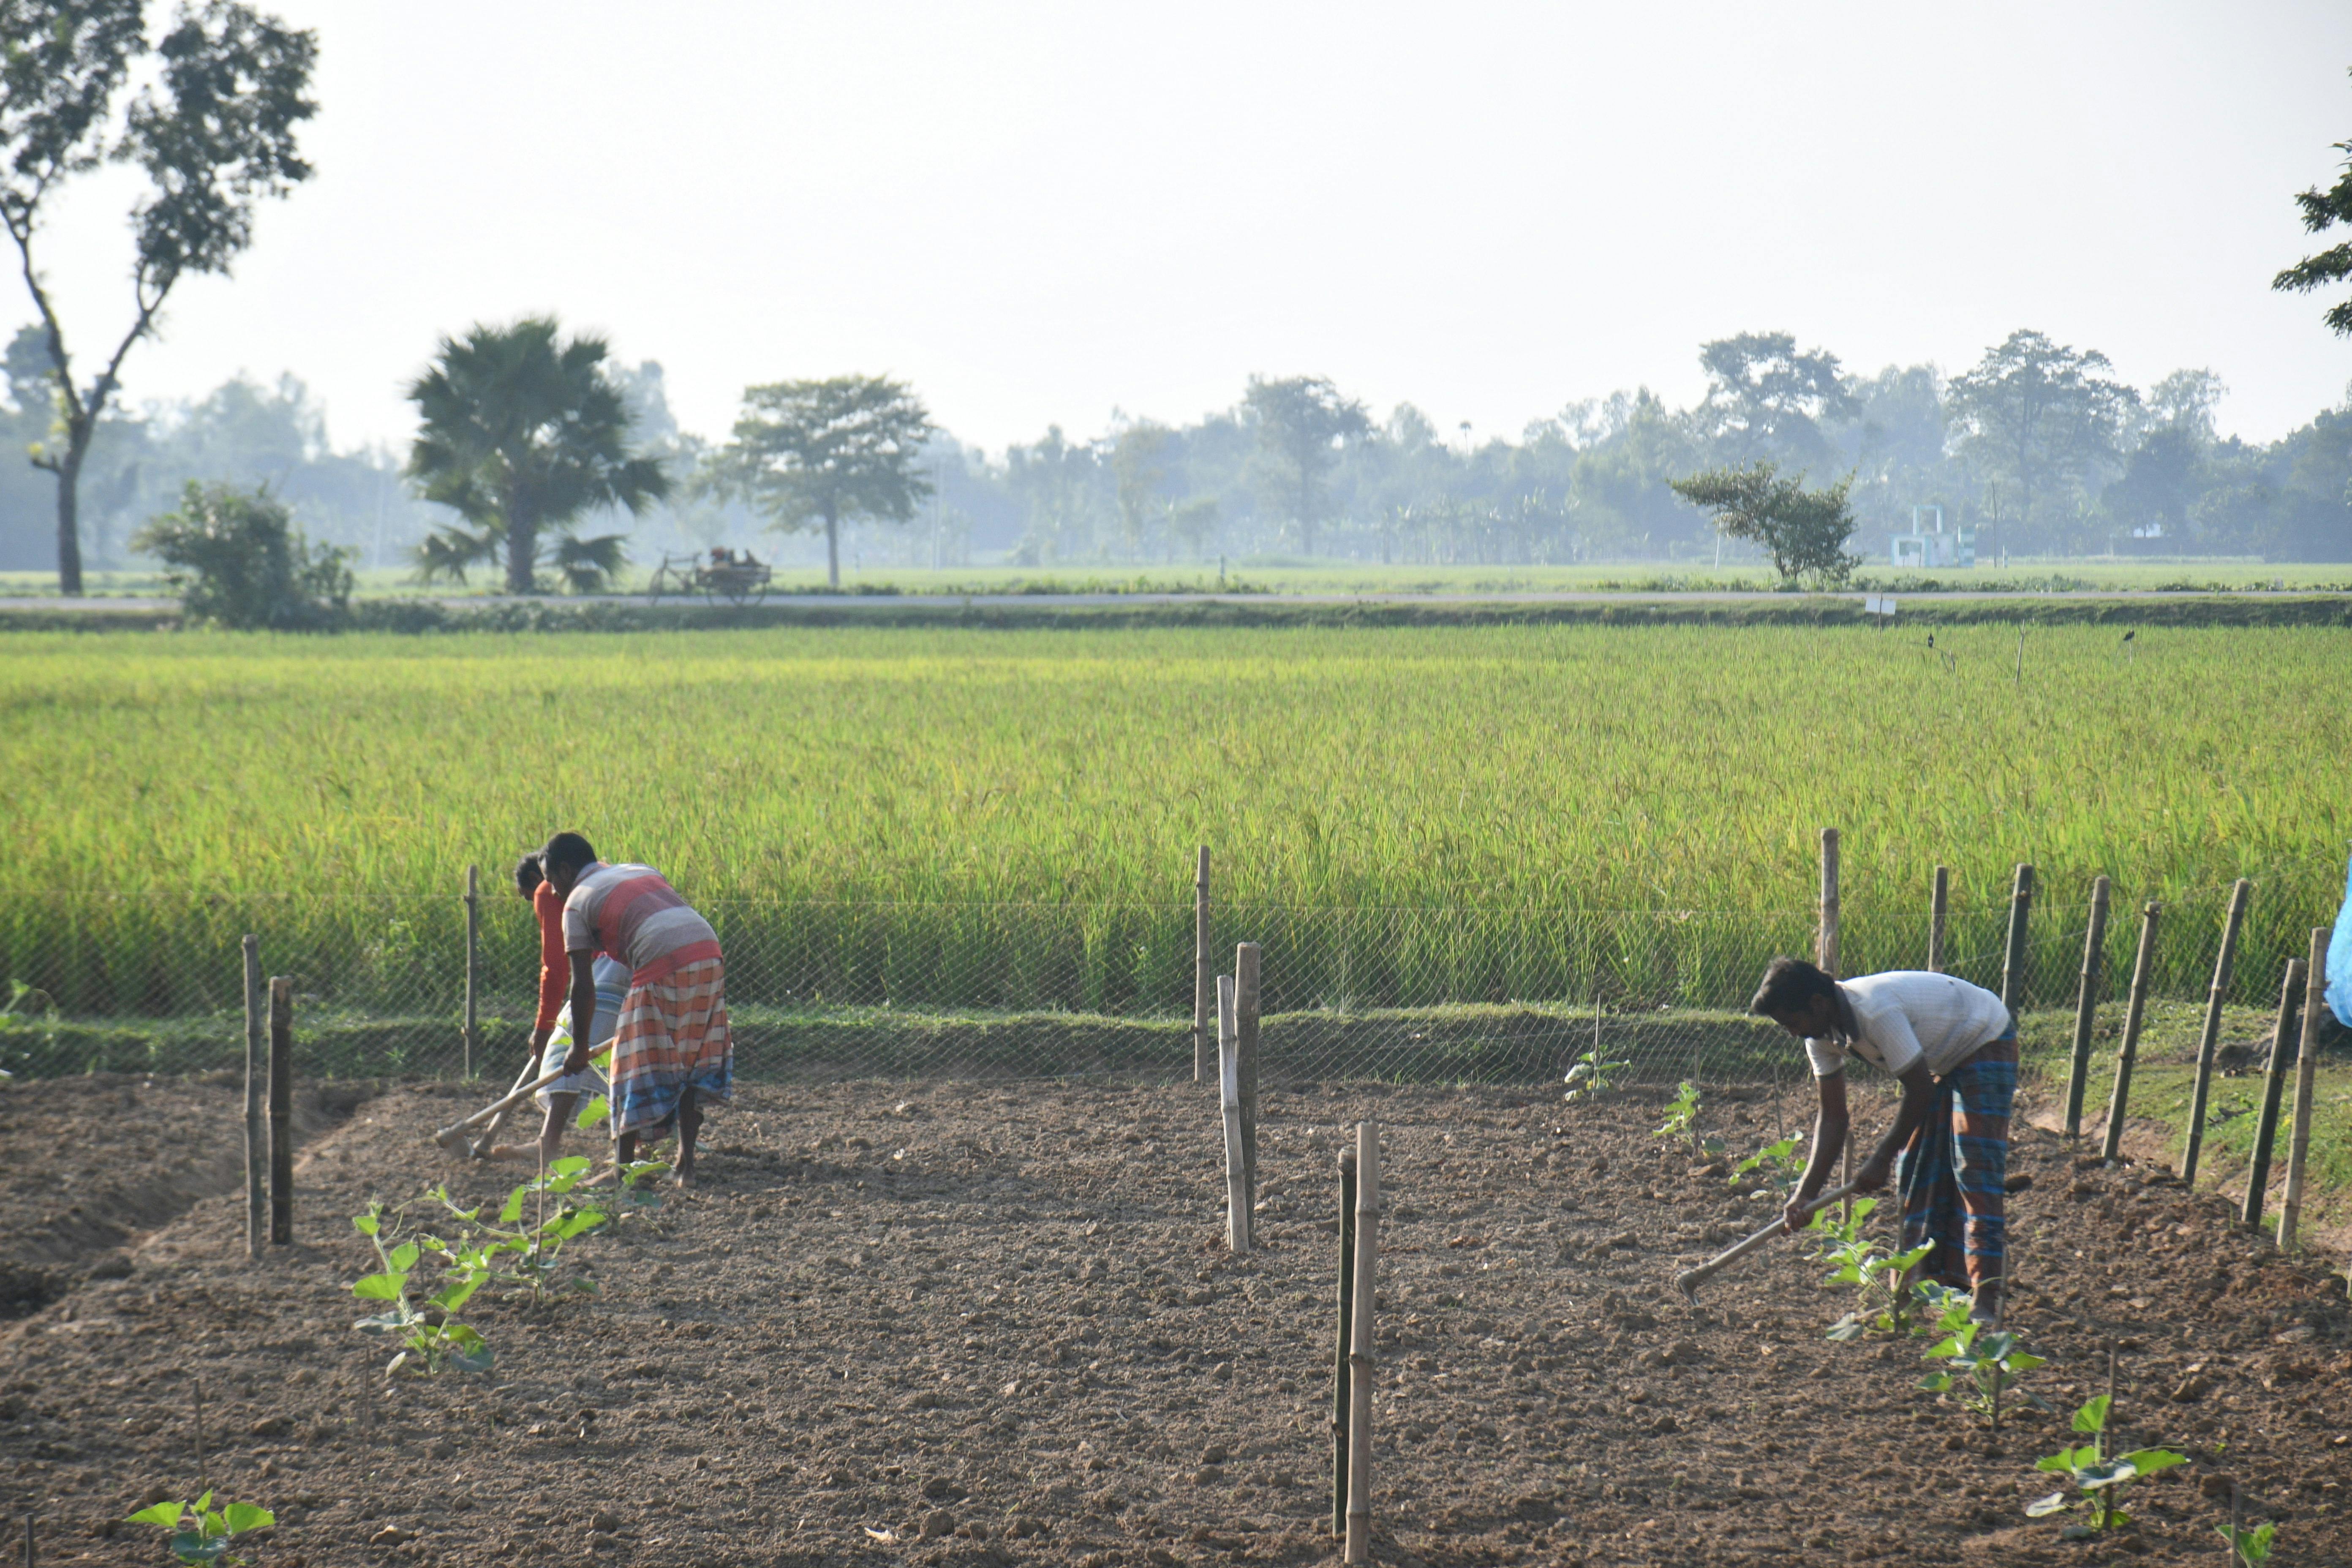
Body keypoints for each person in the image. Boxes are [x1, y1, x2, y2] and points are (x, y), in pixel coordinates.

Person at [1749, 957, 2018, 1323]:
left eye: (1793, 1023)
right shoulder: (1821, 1035)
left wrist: (1881, 1156)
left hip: (1983, 1036)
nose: (1792, 1033)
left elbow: (1919, 1089)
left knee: (1974, 1166)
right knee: (1916, 1169)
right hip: (1941, 1060)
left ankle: (1986, 1295)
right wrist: (1805, 1193)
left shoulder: (1875, 1011)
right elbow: (1833, 1117)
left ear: (1817, 1003)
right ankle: (1920, 1287)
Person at [538, 832, 731, 1188]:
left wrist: (579, 1049)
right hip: (708, 952)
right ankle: (685, 1169)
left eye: (551, 881)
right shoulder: (638, 868)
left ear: (566, 871)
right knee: (689, 1057)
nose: (551, 891)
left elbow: (583, 986)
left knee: (626, 1066)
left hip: (662, 965)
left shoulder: (576, 904)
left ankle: (622, 1172)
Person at [484, 854, 621, 1166]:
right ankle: (643, 1146)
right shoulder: (604, 872)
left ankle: (548, 1145)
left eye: (527, 898)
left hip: (613, 964)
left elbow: (555, 965)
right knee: (630, 1052)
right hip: (639, 955)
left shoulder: (547, 889)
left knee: (567, 1046)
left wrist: (545, 1026)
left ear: (538, 879)